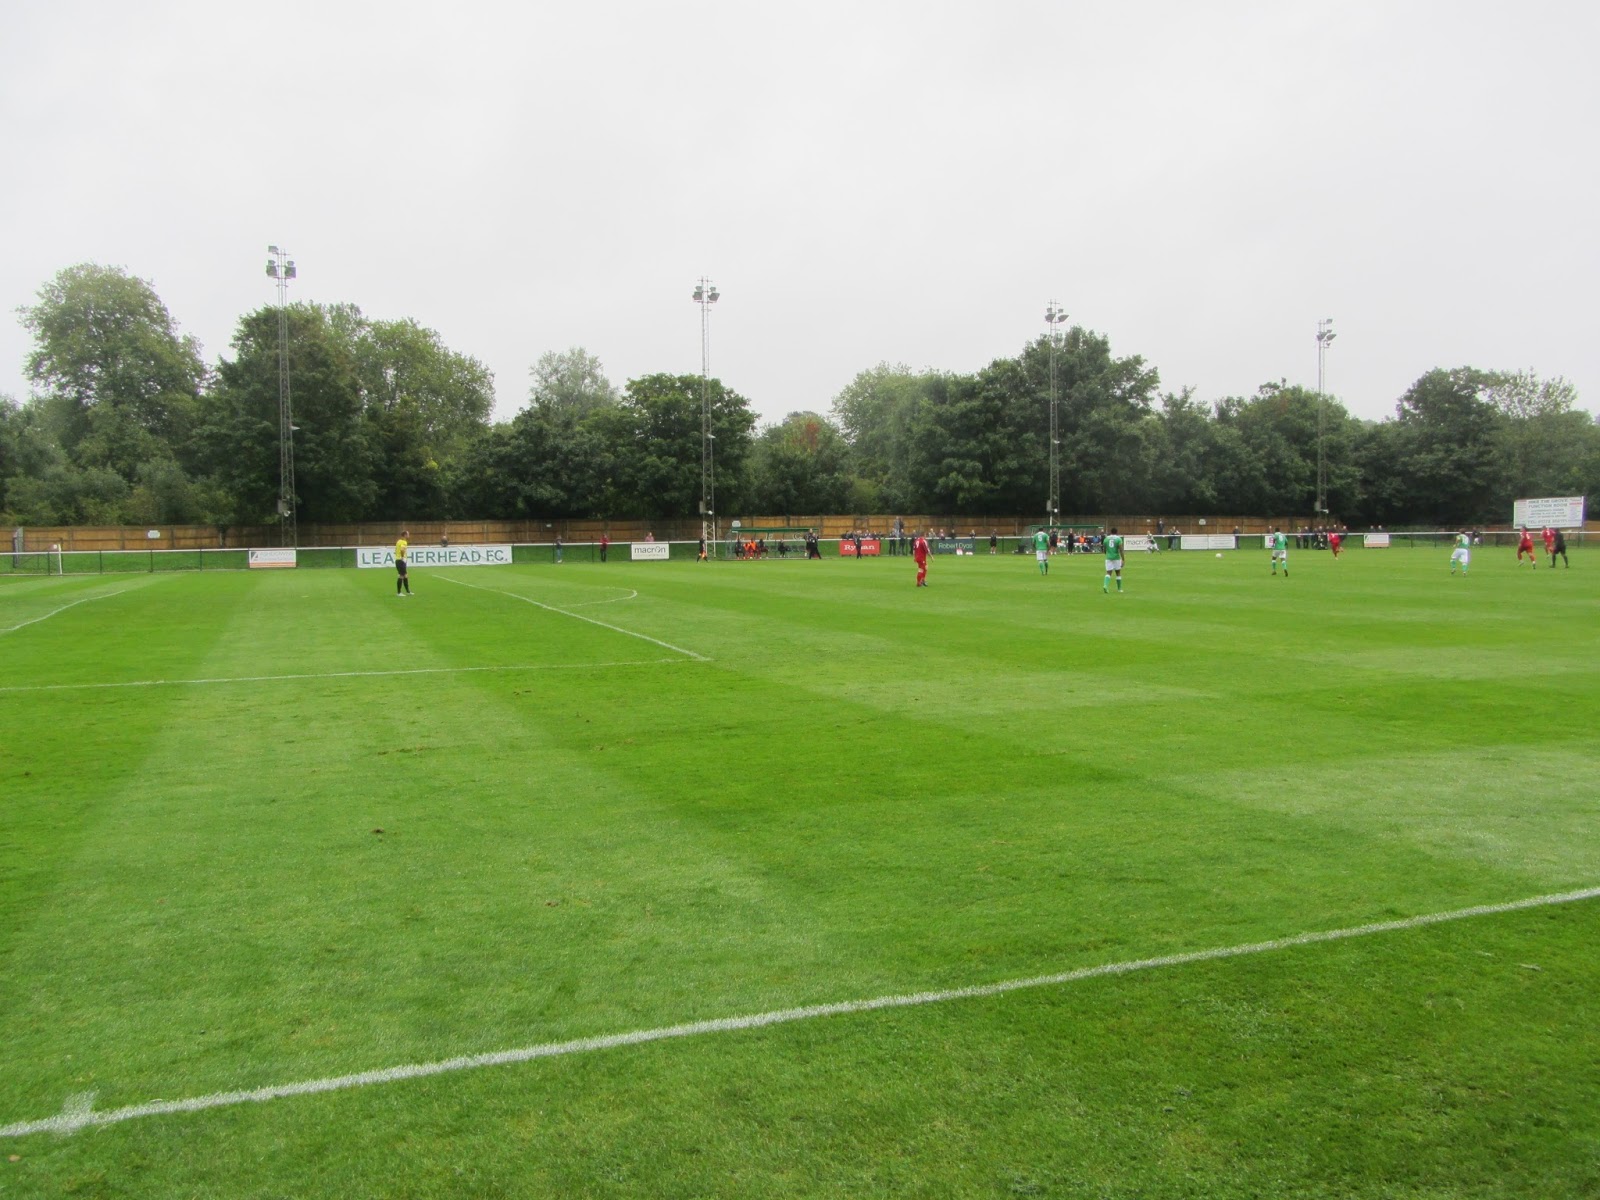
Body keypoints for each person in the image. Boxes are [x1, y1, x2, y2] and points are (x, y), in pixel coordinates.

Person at [1102, 527, 1125, 593]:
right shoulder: (1118, 539)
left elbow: (1104, 549)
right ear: (1116, 532)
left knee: (1108, 573)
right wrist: (1123, 559)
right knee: (1118, 573)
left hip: (1108, 558)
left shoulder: (1106, 538)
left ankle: (1105, 586)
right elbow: (1121, 549)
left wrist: (1107, 553)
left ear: (1110, 532)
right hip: (1116, 558)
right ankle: (1119, 589)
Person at [394, 529, 412, 596]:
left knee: (405, 575)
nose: (409, 535)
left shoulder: (398, 541)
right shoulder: (404, 542)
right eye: (408, 534)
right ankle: (399, 593)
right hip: (401, 560)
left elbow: (395, 550)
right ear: (405, 535)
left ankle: (408, 591)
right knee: (401, 576)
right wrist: (402, 557)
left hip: (398, 560)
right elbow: (402, 550)